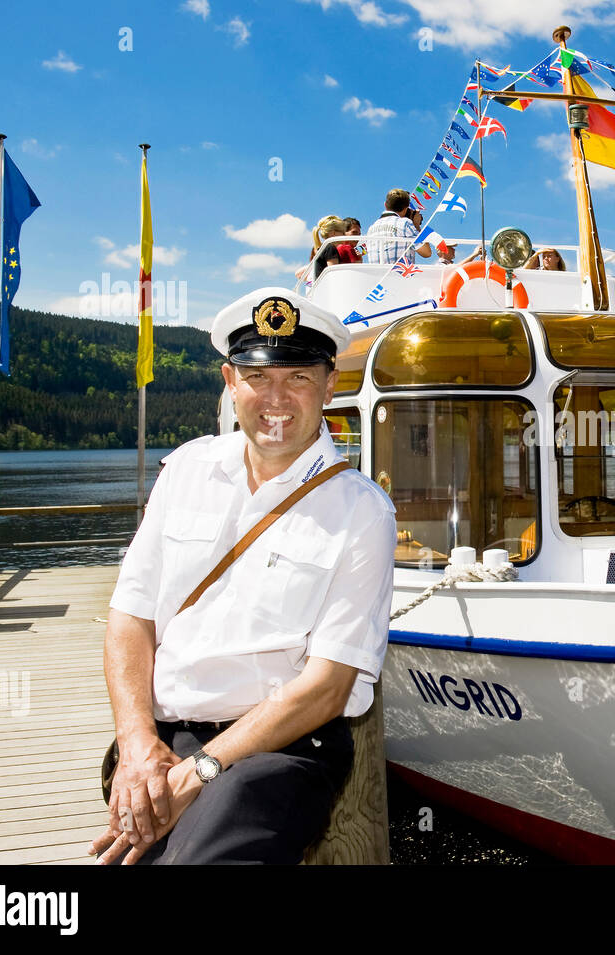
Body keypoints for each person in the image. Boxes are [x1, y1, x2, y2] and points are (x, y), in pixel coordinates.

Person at [92, 288, 396, 865]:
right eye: (259, 377)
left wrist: (197, 776)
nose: (275, 398)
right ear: (231, 383)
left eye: (299, 377)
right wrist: (136, 744)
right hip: (168, 737)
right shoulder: (187, 469)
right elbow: (130, 617)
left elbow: (327, 687)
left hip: (280, 750)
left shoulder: (362, 513)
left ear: (330, 385)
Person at [366, 188, 431, 263]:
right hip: (397, 274)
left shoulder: (371, 228)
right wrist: (416, 225)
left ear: (385, 205)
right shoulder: (405, 223)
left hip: (375, 273)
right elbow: (427, 253)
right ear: (406, 208)